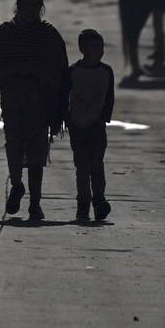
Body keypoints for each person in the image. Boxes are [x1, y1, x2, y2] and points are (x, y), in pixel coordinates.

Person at [0, 0, 70, 221]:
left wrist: (58, 106)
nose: (30, 10)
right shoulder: (5, 33)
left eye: (35, 6)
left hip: (41, 107)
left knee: (36, 156)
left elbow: (62, 73)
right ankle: (17, 185)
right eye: (26, 5)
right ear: (18, 6)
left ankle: (35, 203)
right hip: (13, 104)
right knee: (13, 149)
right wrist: (19, 71)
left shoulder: (49, 36)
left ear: (40, 8)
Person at [67, 29, 116, 223]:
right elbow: (66, 98)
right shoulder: (73, 72)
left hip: (96, 126)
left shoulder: (106, 72)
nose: (98, 51)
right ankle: (83, 203)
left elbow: (108, 98)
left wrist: (103, 118)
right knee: (82, 167)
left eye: (100, 47)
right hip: (77, 126)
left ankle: (98, 200)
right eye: (94, 47)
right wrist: (69, 119)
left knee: (96, 166)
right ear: (82, 49)